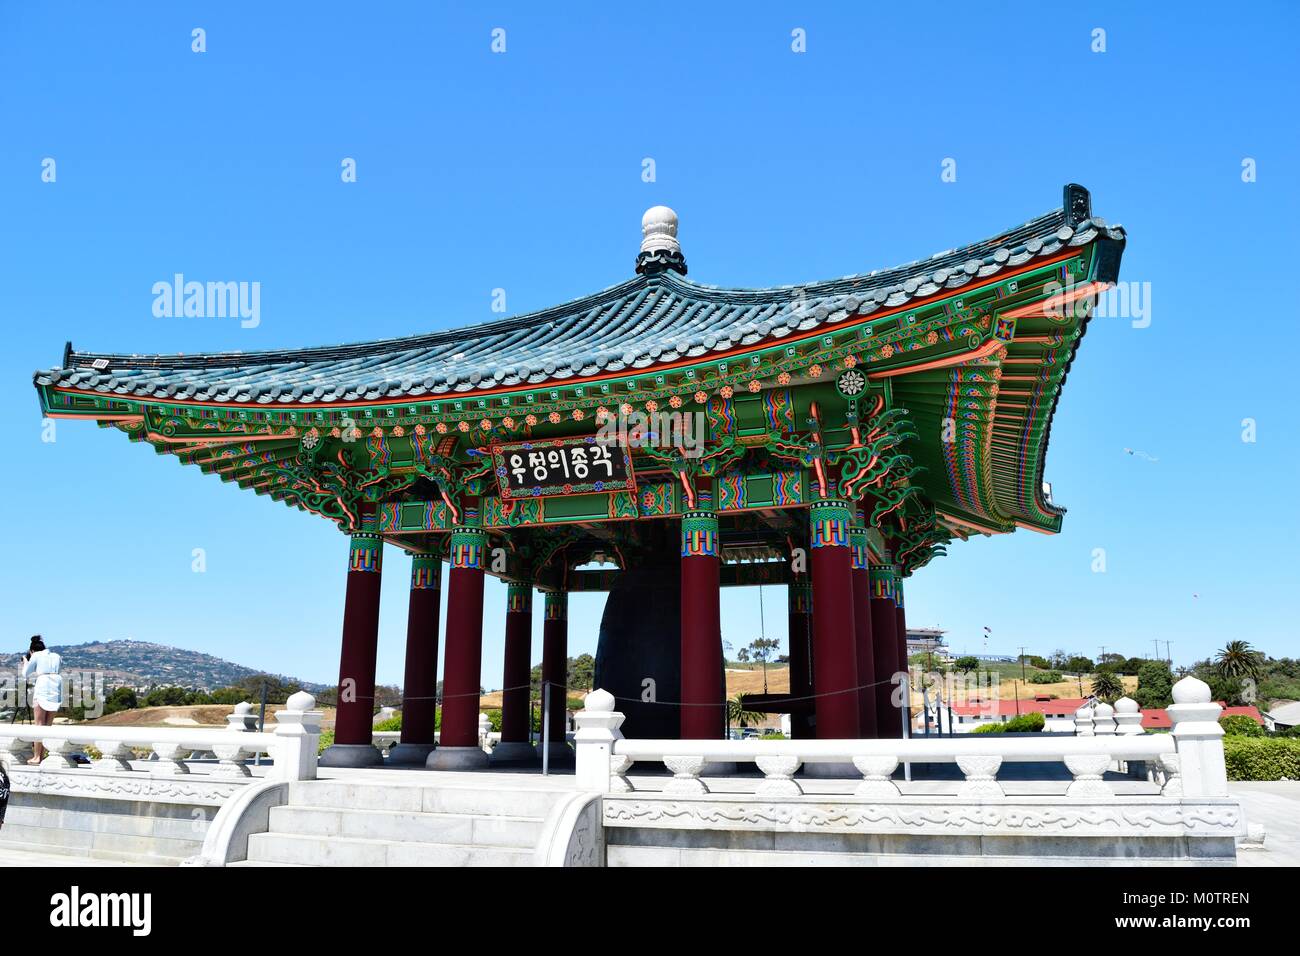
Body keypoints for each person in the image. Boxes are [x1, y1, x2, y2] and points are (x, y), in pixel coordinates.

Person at [21, 635, 62, 764]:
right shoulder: (56, 656)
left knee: (39, 724)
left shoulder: (36, 655)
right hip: (56, 686)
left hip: (43, 686)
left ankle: (36, 757)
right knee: (47, 725)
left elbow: (25, 674)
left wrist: (26, 661)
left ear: (32, 651)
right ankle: (41, 756)